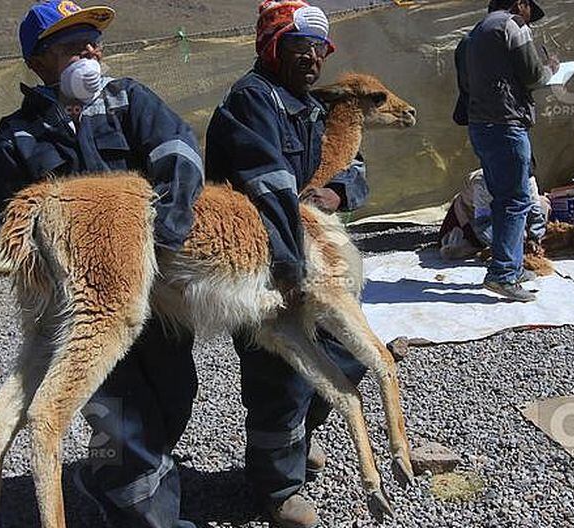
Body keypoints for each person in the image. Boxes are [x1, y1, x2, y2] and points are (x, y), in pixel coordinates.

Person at [0, 2, 204, 527]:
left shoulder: (130, 101)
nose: (89, 52)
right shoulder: (16, 136)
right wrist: (52, 274)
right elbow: (3, 216)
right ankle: (135, 505)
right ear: (38, 62)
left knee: (174, 392)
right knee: (112, 415)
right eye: (71, 45)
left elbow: (180, 154)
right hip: (82, 302)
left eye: (93, 42)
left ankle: (111, 479)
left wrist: (166, 235)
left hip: (150, 287)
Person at [204, 2, 369, 527]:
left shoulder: (312, 108)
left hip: (310, 255)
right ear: (273, 47)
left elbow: (350, 165)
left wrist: (338, 192)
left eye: (319, 48)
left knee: (347, 353)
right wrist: (290, 269)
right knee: (277, 374)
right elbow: (268, 187)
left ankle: (300, 436)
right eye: (300, 45)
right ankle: (276, 488)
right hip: (263, 262)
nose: (312, 57)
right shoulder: (251, 102)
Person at [453, 0, 555, 303]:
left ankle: (510, 266)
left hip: (481, 125)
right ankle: (503, 274)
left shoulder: (474, 34)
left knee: (504, 198)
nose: (529, 18)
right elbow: (533, 76)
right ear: (520, 3)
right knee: (516, 199)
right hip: (505, 124)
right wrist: (551, 70)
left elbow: (467, 85)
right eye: (529, 10)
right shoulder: (512, 25)